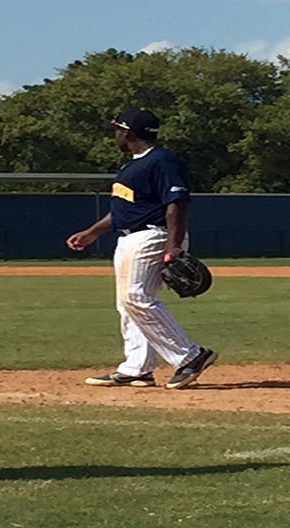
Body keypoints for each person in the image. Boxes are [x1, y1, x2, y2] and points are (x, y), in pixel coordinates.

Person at [66, 108, 217, 390]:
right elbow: (122, 211)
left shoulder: (162, 160)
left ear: (129, 133)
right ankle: (137, 368)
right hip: (130, 237)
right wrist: (92, 232)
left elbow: (176, 204)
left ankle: (191, 356)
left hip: (152, 235)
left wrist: (173, 247)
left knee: (135, 297)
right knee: (127, 303)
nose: (115, 135)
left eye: (118, 129)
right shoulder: (132, 167)